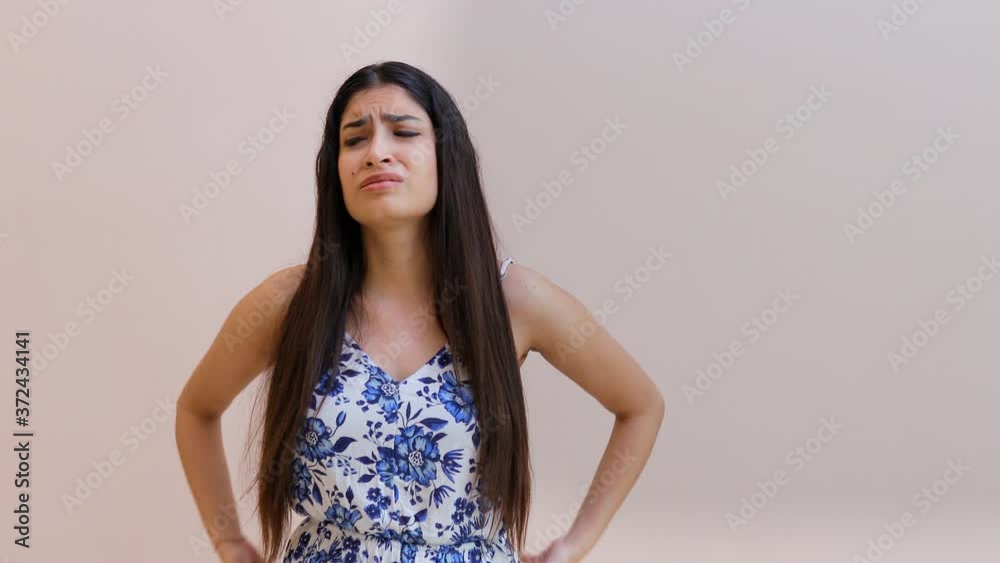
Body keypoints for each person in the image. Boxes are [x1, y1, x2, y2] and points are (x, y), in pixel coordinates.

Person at [175, 60, 665, 563]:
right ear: (336, 170)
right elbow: (196, 409)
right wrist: (229, 543)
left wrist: (574, 545)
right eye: (354, 139)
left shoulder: (511, 300)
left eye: (404, 132)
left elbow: (640, 405)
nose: (377, 152)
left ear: (446, 155)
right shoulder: (290, 303)